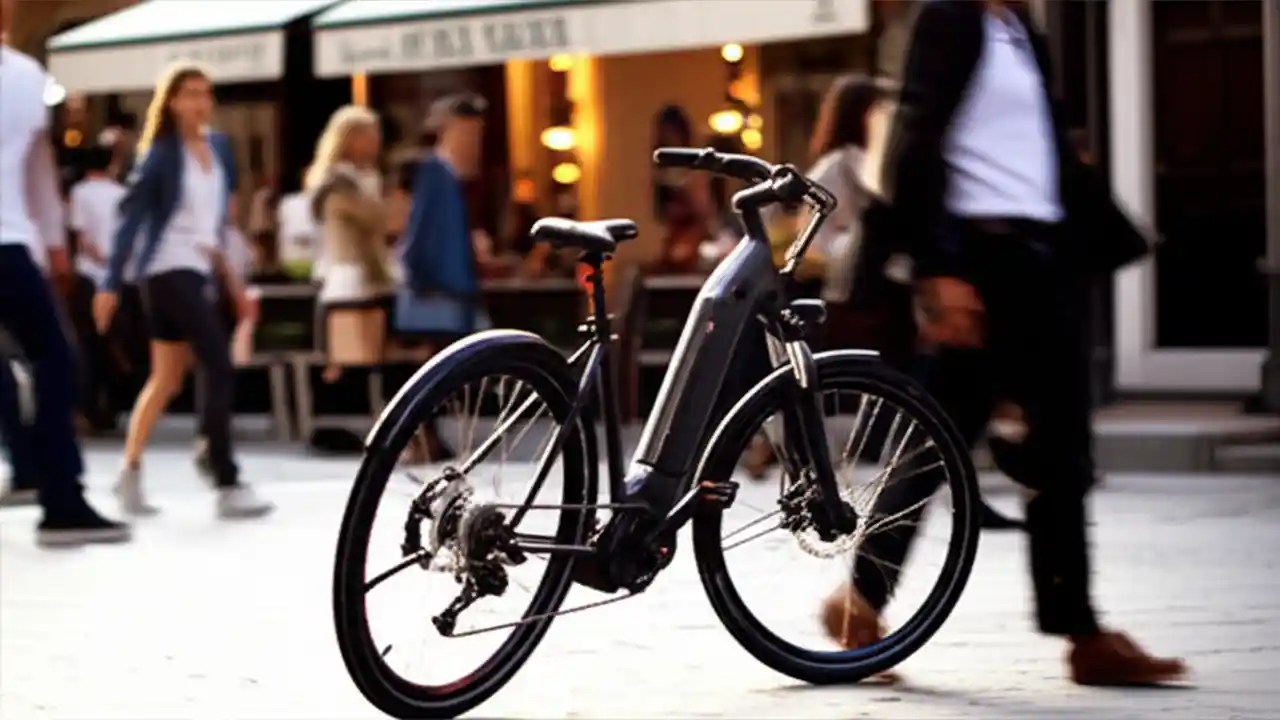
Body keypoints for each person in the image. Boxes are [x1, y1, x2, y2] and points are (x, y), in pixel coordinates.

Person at [824, 0, 1180, 685]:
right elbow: (915, 139)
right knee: (941, 442)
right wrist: (939, 270)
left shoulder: (1022, 32)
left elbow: (1042, 152)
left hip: (1040, 261)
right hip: (983, 261)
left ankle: (1080, 632)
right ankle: (860, 606)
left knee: (1057, 451)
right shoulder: (948, 18)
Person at [93, 62, 273, 520]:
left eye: (205, 93)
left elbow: (215, 230)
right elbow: (130, 220)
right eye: (189, 93)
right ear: (170, 101)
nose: (199, 102)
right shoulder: (160, 154)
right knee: (216, 360)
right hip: (166, 271)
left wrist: (235, 284)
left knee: (167, 379)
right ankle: (222, 471)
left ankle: (128, 474)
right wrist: (111, 283)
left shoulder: (217, 148)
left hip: (196, 271)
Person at [0, 0, 130, 544]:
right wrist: (53, 246)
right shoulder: (26, 76)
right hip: (10, 246)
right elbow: (39, 169)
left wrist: (53, 244)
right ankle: (59, 496)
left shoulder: (27, 76)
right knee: (53, 357)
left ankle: (54, 490)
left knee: (54, 357)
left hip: (10, 241)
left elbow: (36, 167)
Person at [308, 105, 396, 383]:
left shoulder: (369, 177)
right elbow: (378, 219)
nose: (375, 142)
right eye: (368, 135)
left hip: (375, 277)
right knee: (350, 365)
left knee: (375, 361)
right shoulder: (337, 183)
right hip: (347, 281)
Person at [396, 93, 492, 343]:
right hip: (439, 300)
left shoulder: (454, 180)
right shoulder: (434, 175)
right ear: (446, 131)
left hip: (455, 299)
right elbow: (420, 239)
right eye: (468, 134)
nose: (475, 144)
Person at [67, 143, 126, 432]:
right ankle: (112, 406)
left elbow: (81, 236)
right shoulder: (122, 194)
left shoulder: (80, 192)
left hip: (89, 274)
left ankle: (88, 407)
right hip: (116, 276)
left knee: (88, 344)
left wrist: (96, 256)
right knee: (112, 343)